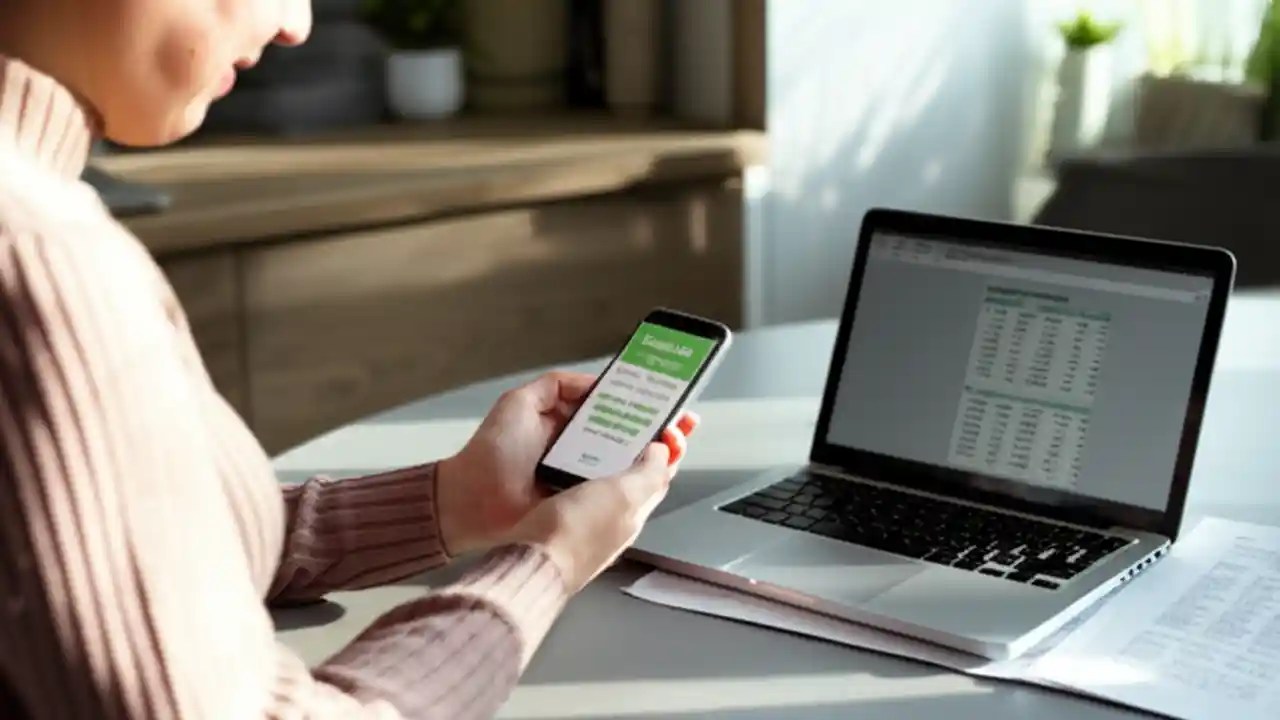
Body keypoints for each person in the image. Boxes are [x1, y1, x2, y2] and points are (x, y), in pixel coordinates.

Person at [0, 1, 699, 718]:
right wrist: (543, 566)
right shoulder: (39, 262)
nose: (296, 24)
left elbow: (118, 552)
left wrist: (451, 500)